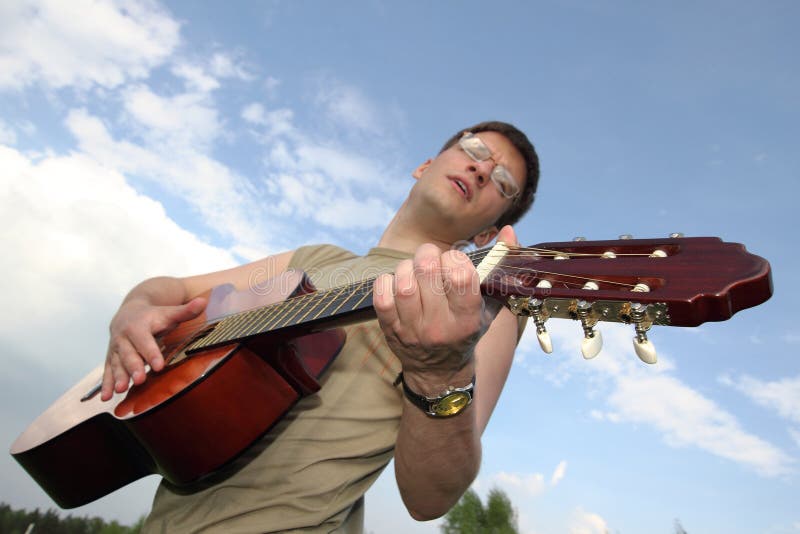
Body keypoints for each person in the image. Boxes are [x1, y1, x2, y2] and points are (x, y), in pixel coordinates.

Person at [101, 120, 540, 532]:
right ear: (424, 166)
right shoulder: (314, 260)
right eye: (475, 149)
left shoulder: (484, 298)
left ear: (487, 235)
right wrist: (134, 310)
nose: (482, 169)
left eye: (502, 183)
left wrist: (440, 372)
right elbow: (173, 289)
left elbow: (430, 498)